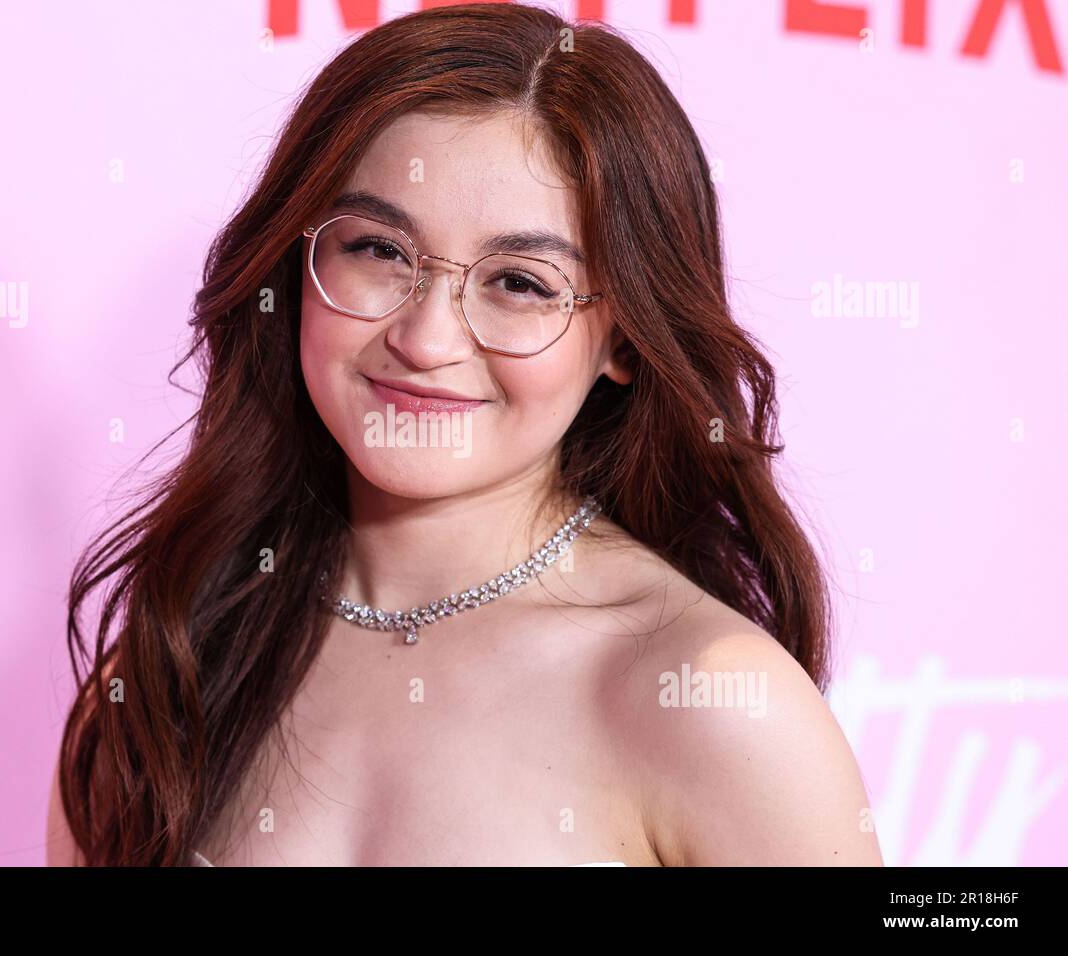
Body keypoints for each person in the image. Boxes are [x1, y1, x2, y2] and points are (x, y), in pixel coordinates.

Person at [48, 2, 883, 867]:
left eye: (520, 283)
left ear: (626, 340)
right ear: (295, 265)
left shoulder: (710, 699)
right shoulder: (169, 667)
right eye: (378, 249)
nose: (426, 340)